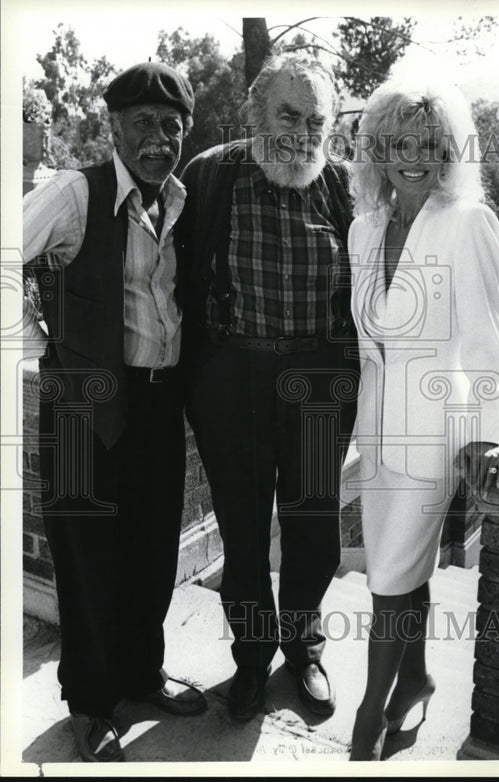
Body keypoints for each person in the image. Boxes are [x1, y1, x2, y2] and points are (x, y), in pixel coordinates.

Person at [22, 62, 207, 763]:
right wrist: (43, 340)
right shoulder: (76, 192)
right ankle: (91, 703)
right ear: (113, 128)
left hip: (157, 398)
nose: (159, 139)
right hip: (78, 403)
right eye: (143, 125)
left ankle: (140, 671)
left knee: (152, 549)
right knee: (86, 557)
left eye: (172, 126)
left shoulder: (179, 197)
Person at [176, 53, 359, 721]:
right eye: (288, 115)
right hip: (233, 379)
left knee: (315, 527)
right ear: (256, 114)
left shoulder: (341, 187)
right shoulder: (210, 176)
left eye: (317, 121)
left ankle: (303, 648)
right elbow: (171, 278)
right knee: (244, 531)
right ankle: (252, 661)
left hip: (317, 382)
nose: (302, 133)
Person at [347, 75, 499, 760]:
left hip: (436, 426)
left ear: (450, 153)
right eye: (398, 144)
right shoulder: (364, 227)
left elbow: (482, 338)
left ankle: (367, 718)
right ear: (376, 152)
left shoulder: (468, 222)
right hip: (377, 426)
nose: (414, 157)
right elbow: (366, 343)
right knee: (402, 567)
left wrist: (484, 432)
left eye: (430, 145)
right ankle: (413, 678)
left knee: (386, 575)